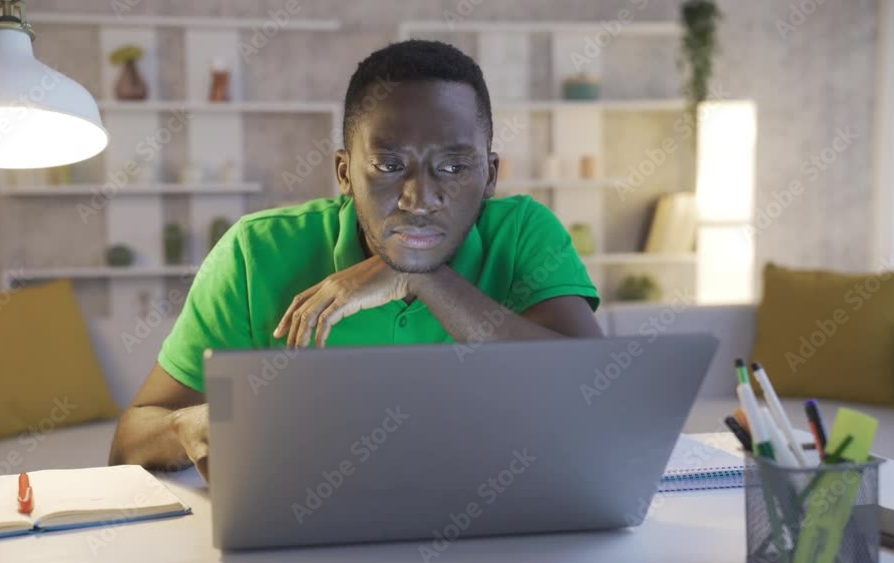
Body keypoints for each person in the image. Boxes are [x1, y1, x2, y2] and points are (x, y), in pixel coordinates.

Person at [108, 39, 602, 482]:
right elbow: (130, 441)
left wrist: (421, 277)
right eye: (389, 166)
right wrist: (184, 426)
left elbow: (595, 394)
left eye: (454, 167)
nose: (419, 198)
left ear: (490, 175)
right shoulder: (253, 253)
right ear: (344, 172)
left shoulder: (524, 233)